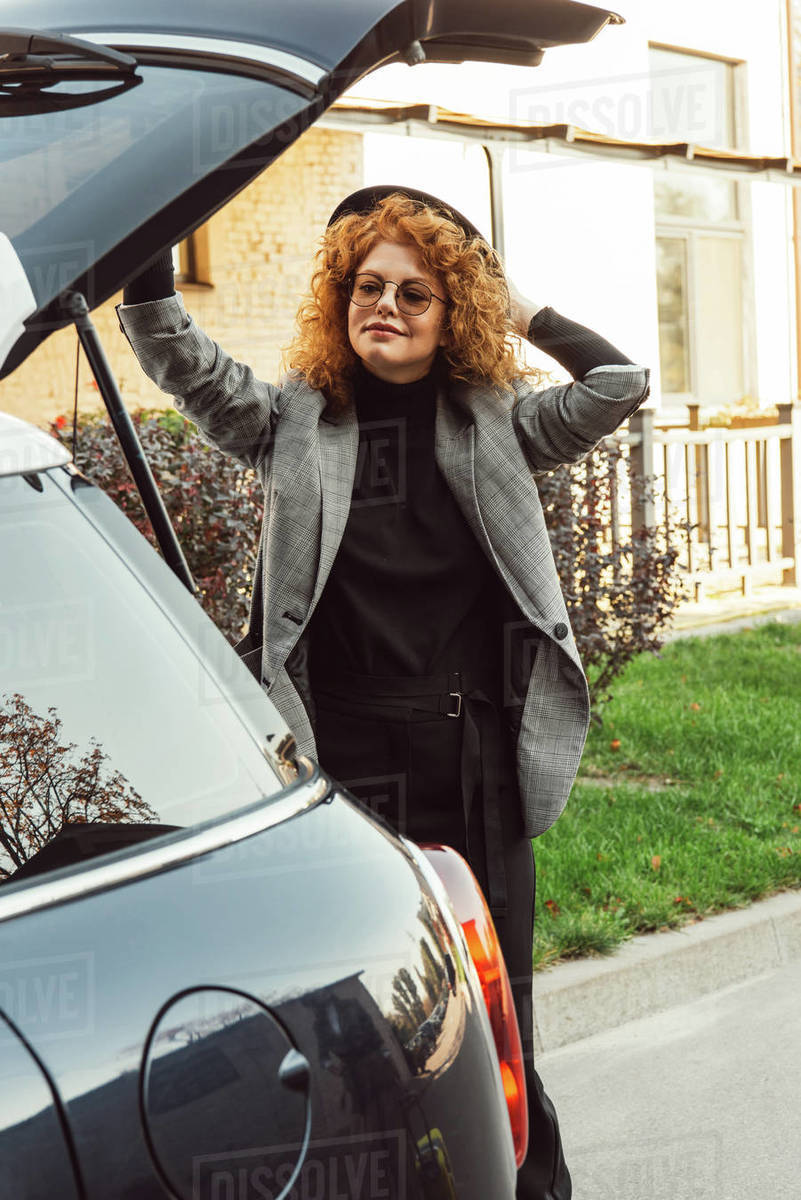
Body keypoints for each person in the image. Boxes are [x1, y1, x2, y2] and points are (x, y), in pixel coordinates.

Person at [116, 185, 649, 1199]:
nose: (387, 307)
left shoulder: (495, 427)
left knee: (496, 1035)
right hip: (342, 772)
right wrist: (160, 218)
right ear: (339, 299)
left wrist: (523, 305)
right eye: (368, 286)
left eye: (417, 292)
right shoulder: (293, 425)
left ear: (454, 314)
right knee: (356, 1028)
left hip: (471, 772)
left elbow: (619, 382)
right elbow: (170, 346)